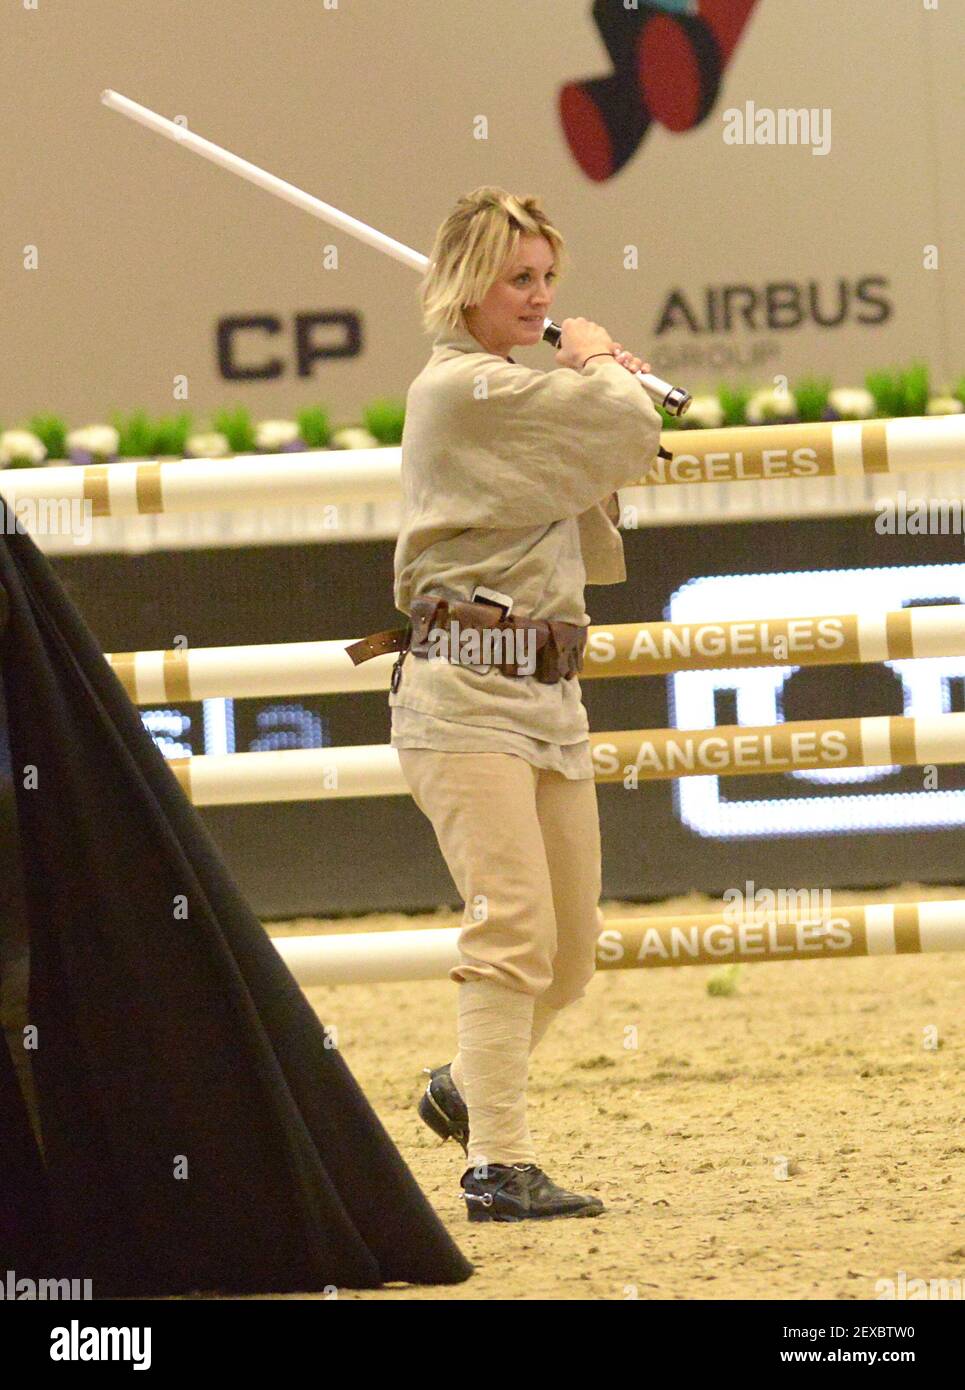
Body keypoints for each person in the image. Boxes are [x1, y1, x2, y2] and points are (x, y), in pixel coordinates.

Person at [352, 186, 663, 1223]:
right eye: (517, 279)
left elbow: (618, 455)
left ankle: (460, 1084)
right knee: (514, 928)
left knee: (569, 954)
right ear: (467, 285)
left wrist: (585, 374)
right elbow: (625, 435)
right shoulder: (463, 391)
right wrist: (598, 359)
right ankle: (496, 1163)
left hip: (544, 696)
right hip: (462, 694)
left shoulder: (508, 389)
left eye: (545, 281)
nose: (537, 297)